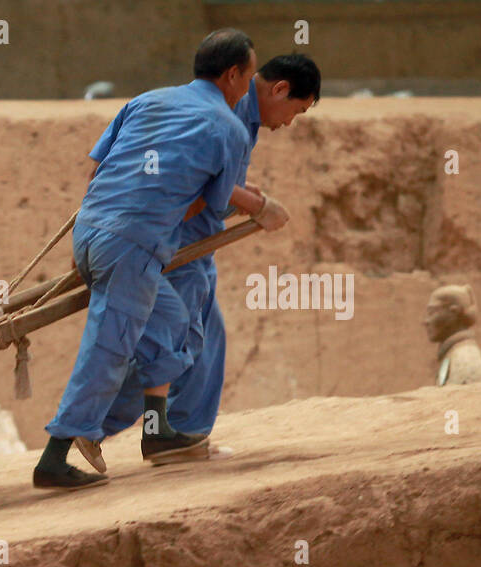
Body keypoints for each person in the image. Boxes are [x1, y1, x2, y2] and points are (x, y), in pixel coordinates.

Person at [34, 29, 257, 490]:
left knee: (176, 322)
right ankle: (54, 459)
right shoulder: (229, 127)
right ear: (233, 75)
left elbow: (97, 169)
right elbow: (211, 205)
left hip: (90, 231)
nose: (247, 87)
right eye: (249, 76)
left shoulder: (145, 101)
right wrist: (259, 206)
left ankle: (156, 433)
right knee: (109, 347)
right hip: (132, 245)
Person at [101, 54, 320, 457]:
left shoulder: (242, 117)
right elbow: (196, 182)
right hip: (177, 243)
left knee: (202, 337)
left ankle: (175, 431)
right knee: (171, 341)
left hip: (192, 242)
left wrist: (244, 195)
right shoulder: (231, 114)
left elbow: (213, 184)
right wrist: (256, 207)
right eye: (297, 111)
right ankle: (94, 424)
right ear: (281, 89)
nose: (290, 122)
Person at [425, 284, 481, 385]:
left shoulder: (466, 359)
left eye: (432, 312)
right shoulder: (453, 353)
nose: (426, 321)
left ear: (453, 312)